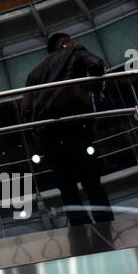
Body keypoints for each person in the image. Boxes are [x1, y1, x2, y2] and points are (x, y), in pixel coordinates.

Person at [22, 33, 112, 226]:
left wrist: (37, 130)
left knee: (65, 184)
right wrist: (94, 90)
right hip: (74, 123)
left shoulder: (34, 74)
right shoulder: (74, 51)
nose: (74, 42)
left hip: (47, 132)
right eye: (70, 40)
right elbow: (97, 65)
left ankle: (79, 225)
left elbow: (26, 110)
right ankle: (105, 223)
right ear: (64, 44)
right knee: (90, 179)